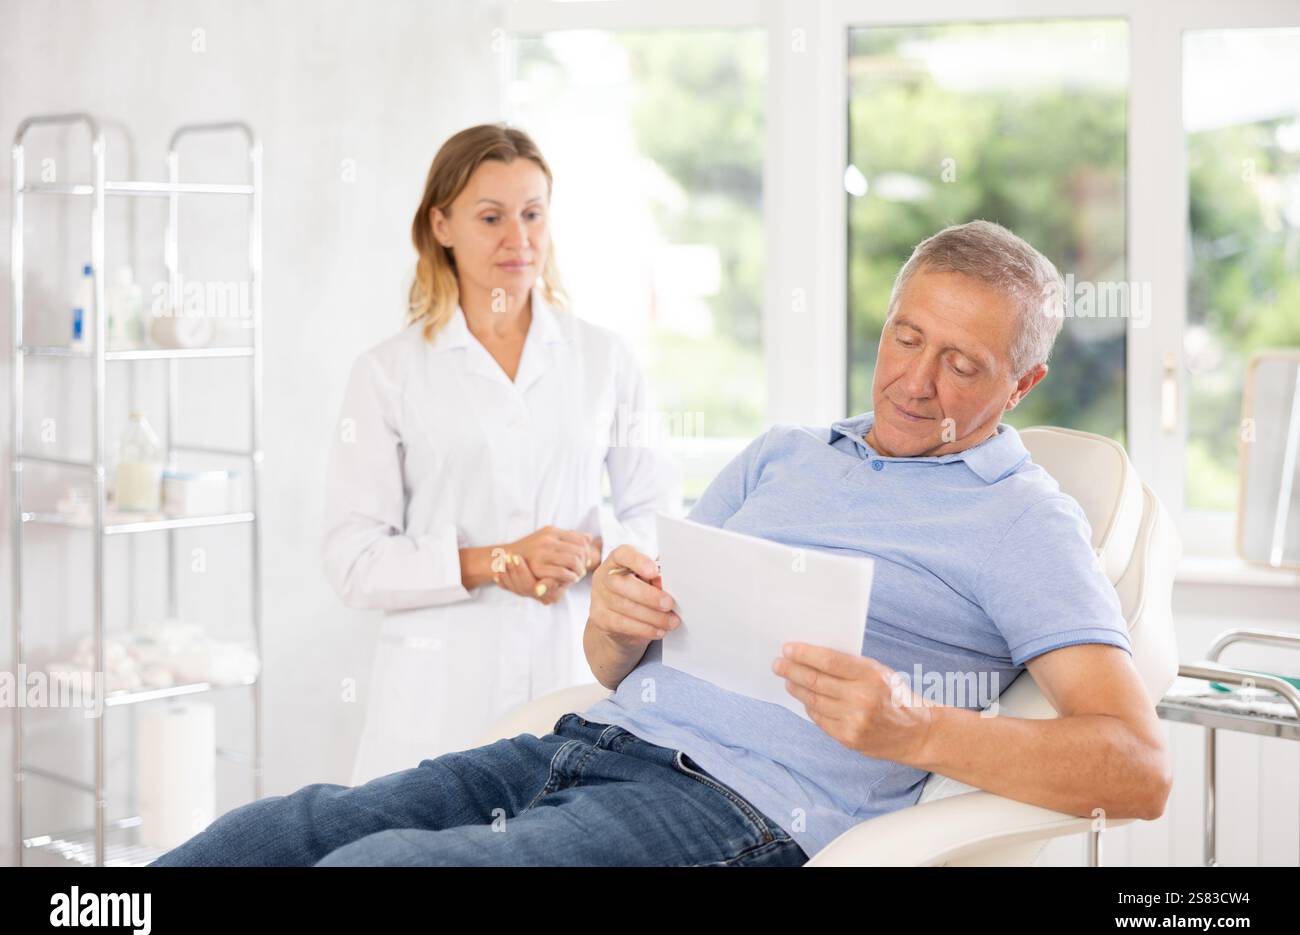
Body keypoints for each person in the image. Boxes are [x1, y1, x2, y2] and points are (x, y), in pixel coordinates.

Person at [153, 220, 1171, 867]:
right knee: (279, 834)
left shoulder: (1023, 518)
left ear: (1020, 385)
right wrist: (615, 620)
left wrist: (917, 731)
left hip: (735, 813)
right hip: (586, 744)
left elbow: (1135, 766)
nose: (916, 380)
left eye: (961, 363)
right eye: (905, 337)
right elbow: (614, 663)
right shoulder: (783, 455)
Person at [320, 123, 676, 783]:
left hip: (573, 673)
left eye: (533, 214)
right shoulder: (388, 373)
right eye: (491, 217)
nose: (519, 239)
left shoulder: (602, 358)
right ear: (441, 225)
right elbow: (353, 560)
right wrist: (495, 561)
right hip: (436, 692)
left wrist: (587, 552)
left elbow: (657, 513)